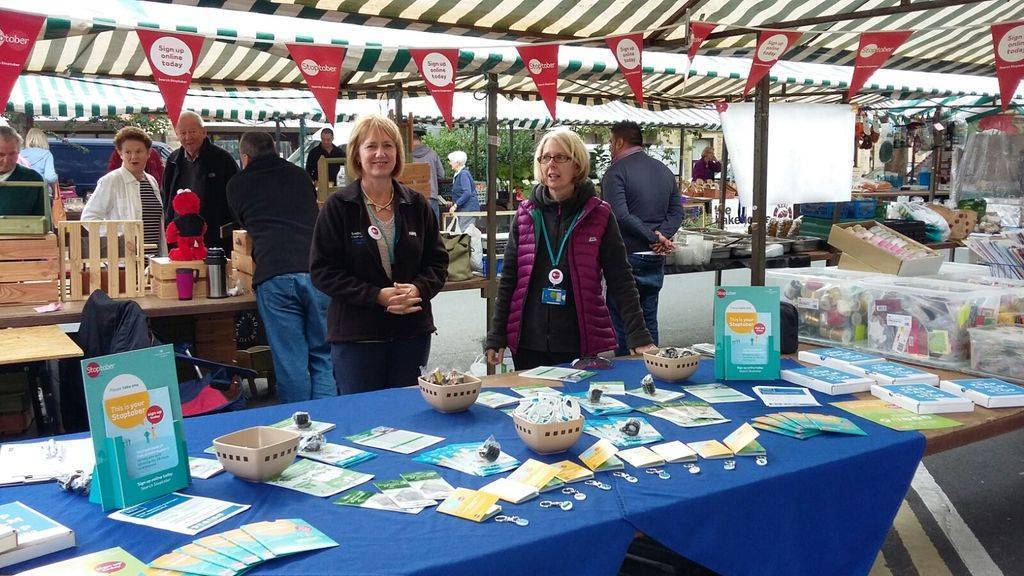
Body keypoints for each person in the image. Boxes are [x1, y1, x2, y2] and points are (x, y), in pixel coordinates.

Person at [484, 129, 656, 371]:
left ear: (577, 165)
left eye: (560, 157)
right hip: (528, 341)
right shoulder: (526, 214)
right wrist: (497, 335)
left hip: (578, 339)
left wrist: (639, 335)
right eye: (545, 158)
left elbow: (621, 279)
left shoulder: (599, 214)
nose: (551, 164)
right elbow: (510, 279)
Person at [310, 114, 448, 394]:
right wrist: (376, 295)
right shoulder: (339, 206)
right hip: (357, 338)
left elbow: (438, 264)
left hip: (411, 333)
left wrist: (418, 288)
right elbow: (322, 271)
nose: (380, 154)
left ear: (397, 153)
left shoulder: (416, 204)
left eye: (388, 146)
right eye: (371, 146)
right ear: (357, 155)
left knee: (409, 418)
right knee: (363, 420)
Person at [227, 132, 334, 403]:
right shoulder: (299, 175)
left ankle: (302, 429)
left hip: (274, 274)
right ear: (275, 149)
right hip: (317, 270)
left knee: (291, 360)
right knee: (324, 354)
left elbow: (244, 224)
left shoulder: (237, 184)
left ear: (245, 157)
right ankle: (330, 421)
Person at [602, 121, 684, 356]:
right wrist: (662, 236)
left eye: (610, 142)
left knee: (622, 319)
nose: (609, 147)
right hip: (655, 257)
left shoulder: (615, 172)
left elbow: (619, 214)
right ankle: (653, 367)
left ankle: (627, 374)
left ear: (619, 142)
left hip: (626, 256)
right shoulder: (664, 170)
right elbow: (677, 212)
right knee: (649, 318)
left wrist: (653, 236)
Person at [81, 127, 166, 256]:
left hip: (154, 259)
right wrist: (120, 235)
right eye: (128, 152)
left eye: (139, 151)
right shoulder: (111, 180)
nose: (133, 157)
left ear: (148, 153)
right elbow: (88, 218)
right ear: (120, 153)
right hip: (125, 262)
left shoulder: (151, 181)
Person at [162, 111, 238, 249]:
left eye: (192, 131)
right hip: (181, 238)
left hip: (214, 237)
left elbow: (236, 199)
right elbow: (167, 198)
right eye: (183, 133)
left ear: (204, 132)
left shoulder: (222, 159)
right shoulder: (173, 160)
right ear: (177, 135)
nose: (187, 137)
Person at [0, 126, 45, 216]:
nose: (6, 160)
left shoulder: (33, 179)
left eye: (12, 154)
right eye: (1, 154)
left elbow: (42, 222)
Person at [410, 126, 446, 223]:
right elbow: (441, 175)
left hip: (412, 198)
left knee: (415, 232)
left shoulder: (406, 156)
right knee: (433, 232)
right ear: (420, 138)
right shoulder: (433, 154)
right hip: (431, 197)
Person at [447, 150, 479, 230]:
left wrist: (455, 205)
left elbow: (467, 193)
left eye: (451, 161)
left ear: (457, 162)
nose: (450, 163)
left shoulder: (463, 174)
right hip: (466, 209)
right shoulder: (460, 174)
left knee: (464, 233)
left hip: (468, 209)